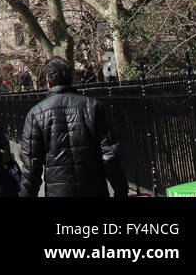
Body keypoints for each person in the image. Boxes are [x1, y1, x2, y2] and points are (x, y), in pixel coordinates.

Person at [19, 57, 128, 198]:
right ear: (70, 79)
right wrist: (121, 189)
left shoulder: (36, 114)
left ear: (48, 81)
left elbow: (31, 168)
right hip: (93, 189)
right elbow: (109, 155)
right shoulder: (92, 107)